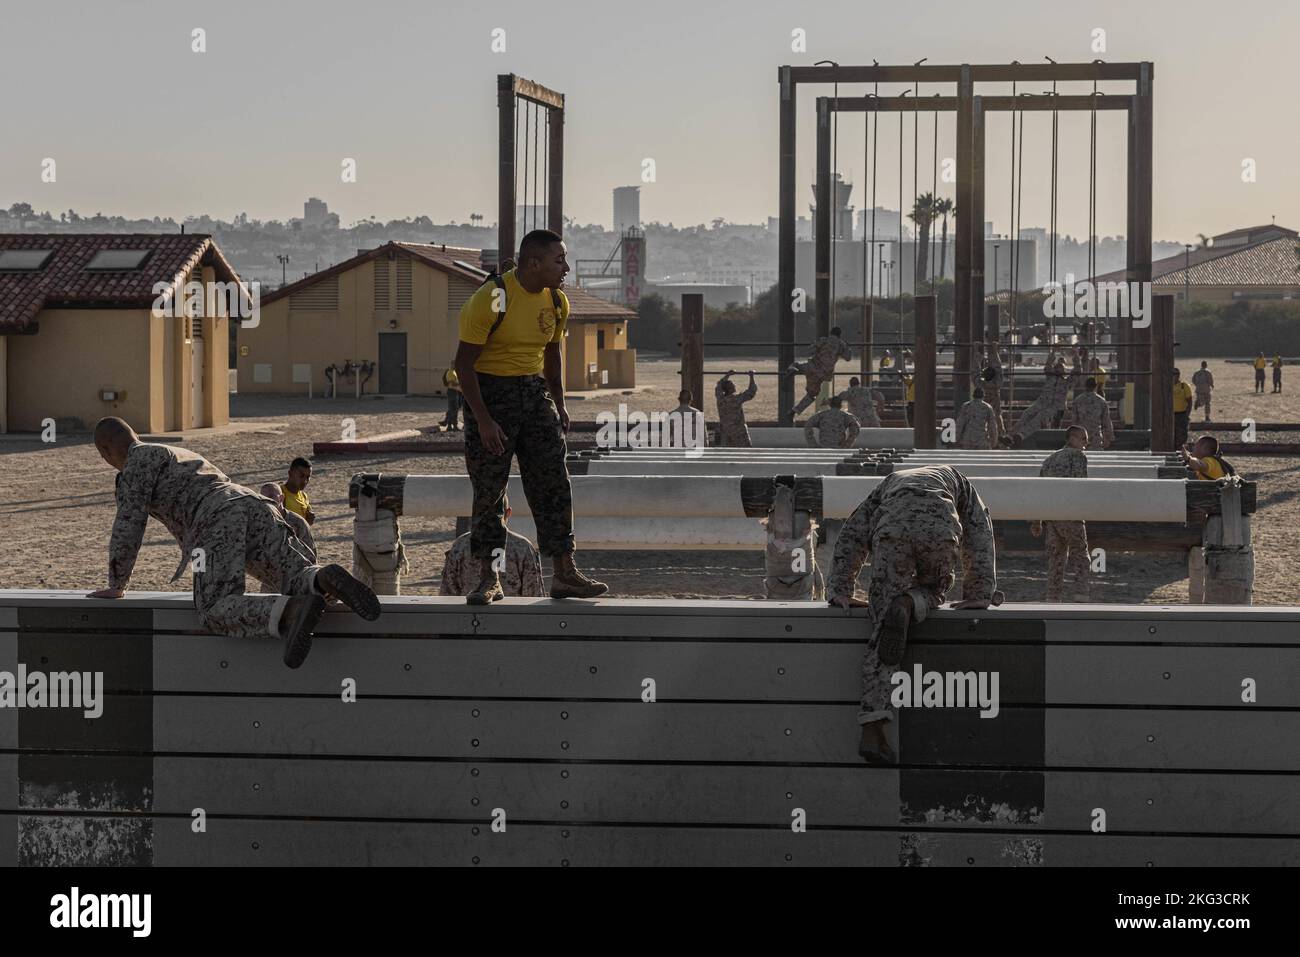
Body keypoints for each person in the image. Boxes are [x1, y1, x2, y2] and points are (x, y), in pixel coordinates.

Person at [88, 417, 380, 668]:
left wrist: (118, 583)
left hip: (214, 516)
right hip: (253, 502)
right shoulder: (177, 450)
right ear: (135, 435)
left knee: (214, 606)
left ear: (104, 451)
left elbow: (129, 523)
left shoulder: (134, 466)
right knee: (290, 576)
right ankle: (323, 578)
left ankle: (291, 612)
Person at [454, 228, 607, 605]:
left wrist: (559, 402)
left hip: (533, 393)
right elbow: (463, 366)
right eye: (559, 260)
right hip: (490, 395)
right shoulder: (492, 298)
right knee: (490, 491)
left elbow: (552, 355)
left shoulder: (556, 301)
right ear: (533, 262)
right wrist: (484, 421)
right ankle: (489, 578)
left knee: (553, 482)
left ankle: (565, 573)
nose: (566, 268)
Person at [827, 465, 1001, 765]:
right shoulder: (958, 481)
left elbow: (852, 533)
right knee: (934, 589)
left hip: (892, 527)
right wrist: (979, 593)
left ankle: (872, 725)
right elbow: (979, 534)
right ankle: (911, 602)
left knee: (881, 625)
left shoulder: (889, 483)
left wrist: (840, 589)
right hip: (940, 525)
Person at [1031, 426, 1091, 602]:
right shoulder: (1078, 456)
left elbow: (1040, 490)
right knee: (1081, 556)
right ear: (1072, 439)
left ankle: (1053, 598)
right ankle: (1081, 595)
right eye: (1083, 438)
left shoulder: (1049, 459)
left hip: (1052, 517)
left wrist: (1037, 521)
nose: (1086, 443)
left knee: (1056, 561)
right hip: (1071, 514)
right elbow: (1081, 484)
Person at [440, 502, 544, 598]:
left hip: (470, 614)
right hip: (512, 614)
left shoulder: (461, 545)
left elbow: (448, 593)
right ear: (508, 512)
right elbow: (533, 594)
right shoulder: (523, 547)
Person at [788, 326, 852, 415]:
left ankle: (793, 370)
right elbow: (848, 358)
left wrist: (815, 345)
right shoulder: (841, 344)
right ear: (839, 335)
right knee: (811, 395)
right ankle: (795, 411)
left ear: (830, 333)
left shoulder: (823, 340)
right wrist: (848, 347)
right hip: (823, 374)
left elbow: (809, 352)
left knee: (795, 364)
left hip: (812, 367)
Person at [1010, 356, 1069, 448]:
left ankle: (1021, 436)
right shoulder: (1050, 377)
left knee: (1039, 418)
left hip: (1055, 407)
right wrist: (1053, 351)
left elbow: (1078, 371)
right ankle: (1010, 436)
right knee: (1027, 413)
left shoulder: (1067, 382)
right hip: (1042, 402)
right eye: (1057, 367)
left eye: (1061, 367)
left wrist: (1076, 355)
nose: (1058, 369)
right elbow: (1048, 365)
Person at [259, 483, 316, 561]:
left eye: (271, 496)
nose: (267, 500)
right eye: (262, 498)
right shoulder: (260, 521)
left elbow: (311, 553)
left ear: (281, 498)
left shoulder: (297, 522)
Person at [715, 371, 758, 447]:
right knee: (745, 451)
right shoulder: (736, 399)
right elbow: (751, 391)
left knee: (730, 452)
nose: (734, 386)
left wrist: (727, 375)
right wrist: (751, 376)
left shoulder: (720, 399)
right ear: (730, 389)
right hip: (739, 431)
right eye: (732, 385)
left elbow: (719, 385)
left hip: (725, 430)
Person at [1072, 377, 1114, 450]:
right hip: (1096, 437)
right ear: (1095, 386)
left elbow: (1074, 421)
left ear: (1085, 386)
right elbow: (1106, 421)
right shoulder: (1101, 401)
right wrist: (1108, 437)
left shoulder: (1078, 400)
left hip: (1080, 437)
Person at [281, 457, 315, 526]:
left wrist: (309, 520)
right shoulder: (280, 494)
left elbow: (306, 525)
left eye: (308, 477)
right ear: (290, 474)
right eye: (301, 476)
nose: (305, 481)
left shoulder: (304, 496)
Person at [1171, 368, 1194, 449]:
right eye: (1172, 374)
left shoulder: (1184, 386)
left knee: (1181, 437)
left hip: (1181, 414)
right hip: (1170, 415)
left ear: (1178, 375)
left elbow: (1190, 401)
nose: (1174, 376)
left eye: (1175, 374)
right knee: (1170, 435)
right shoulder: (1167, 386)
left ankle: (1181, 453)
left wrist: (1187, 415)